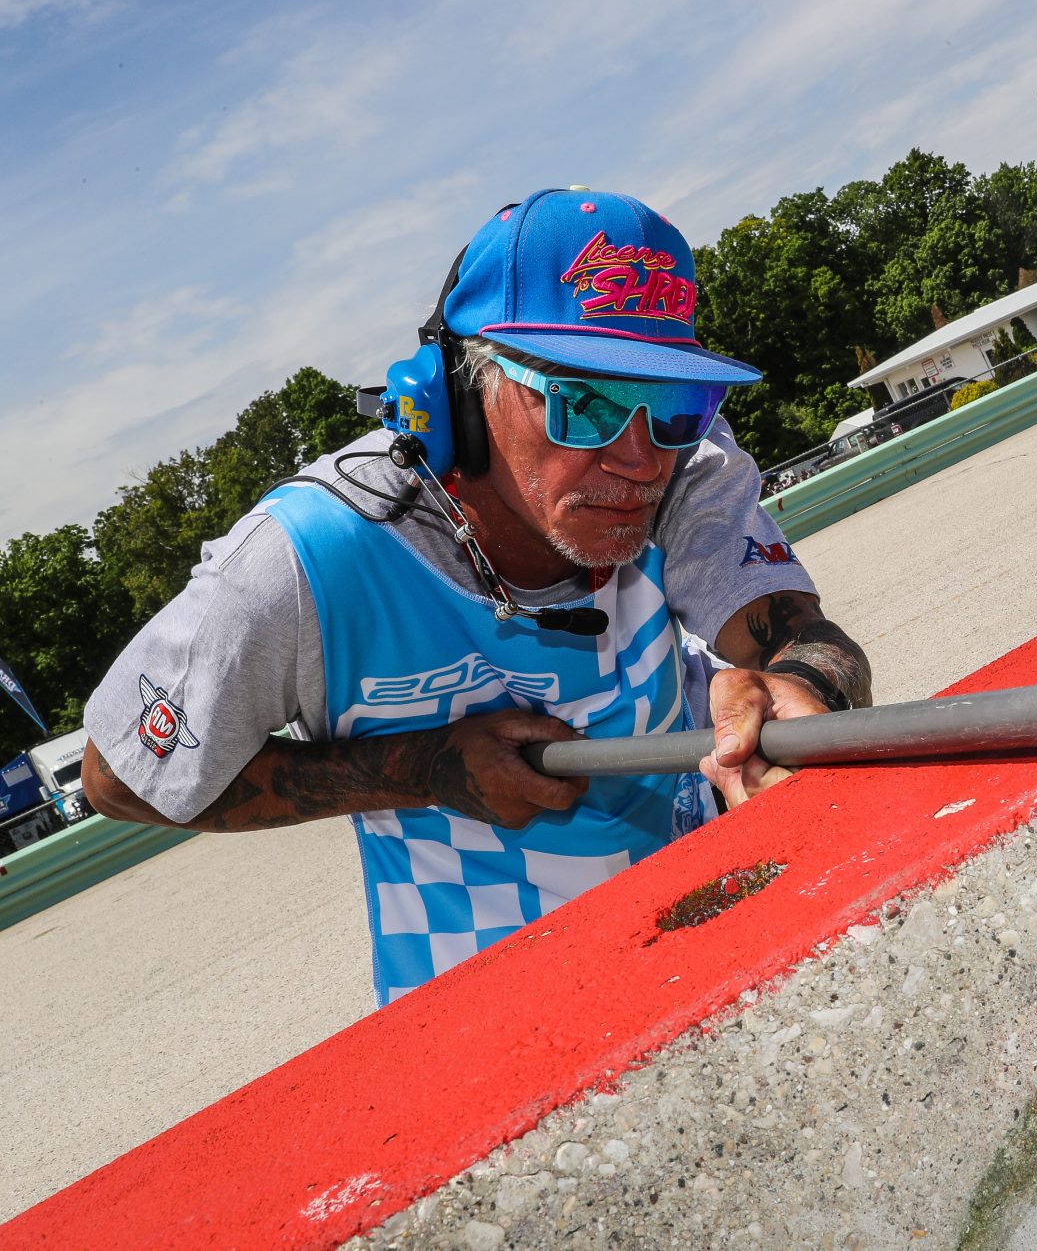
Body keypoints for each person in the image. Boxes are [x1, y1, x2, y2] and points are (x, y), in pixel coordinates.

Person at [80, 187, 871, 1004]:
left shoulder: (687, 465)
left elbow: (801, 638)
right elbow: (119, 775)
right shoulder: (302, 560)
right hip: (487, 1026)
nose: (639, 458)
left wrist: (802, 688)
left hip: (715, 949)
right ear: (462, 391)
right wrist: (420, 768)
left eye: (675, 401)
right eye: (586, 403)